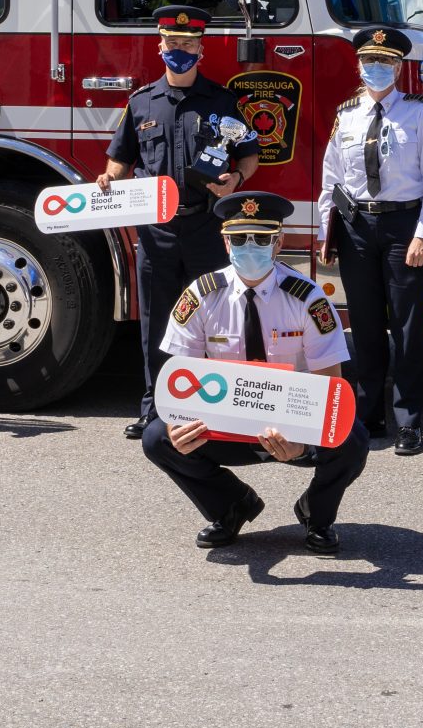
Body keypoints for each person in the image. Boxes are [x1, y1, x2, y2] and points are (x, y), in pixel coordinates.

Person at [142, 192, 362, 554]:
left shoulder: (309, 300)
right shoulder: (200, 297)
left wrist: (302, 439)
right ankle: (231, 507)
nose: (250, 247)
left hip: (291, 424)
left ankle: (316, 515)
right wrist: (176, 426)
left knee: (350, 437)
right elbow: (179, 380)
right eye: (240, 238)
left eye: (261, 239)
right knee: (157, 438)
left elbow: (330, 385)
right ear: (225, 241)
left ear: (279, 243)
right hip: (224, 425)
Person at [98, 5, 259, 439]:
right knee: (157, 323)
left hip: (207, 228)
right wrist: (108, 179)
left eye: (188, 44)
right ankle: (154, 410)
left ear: (201, 49)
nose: (180, 51)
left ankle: (216, 412)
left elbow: (249, 153)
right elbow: (120, 159)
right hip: (157, 232)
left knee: (213, 322)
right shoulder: (141, 103)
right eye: (173, 44)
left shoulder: (222, 102)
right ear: (160, 46)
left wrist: (237, 179)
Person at [315, 27, 423, 455]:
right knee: (367, 328)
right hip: (357, 229)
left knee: (407, 330)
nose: (375, 69)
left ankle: (409, 421)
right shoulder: (347, 114)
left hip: (403, 229)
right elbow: (331, 178)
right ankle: (369, 415)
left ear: (398, 67)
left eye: (385, 62)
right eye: (369, 62)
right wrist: (326, 230)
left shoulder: (420, 112)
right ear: (358, 66)